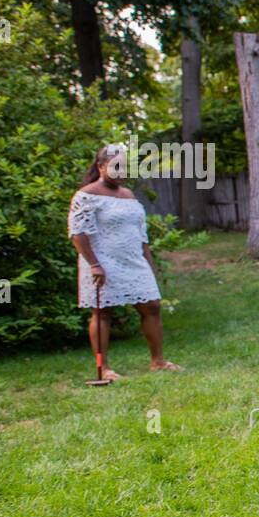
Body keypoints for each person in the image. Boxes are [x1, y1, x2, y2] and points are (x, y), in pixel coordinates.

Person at [68, 143, 181, 378]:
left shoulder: (128, 195)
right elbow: (77, 233)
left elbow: (141, 235)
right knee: (103, 312)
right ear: (101, 167)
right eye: (115, 166)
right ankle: (104, 368)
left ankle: (157, 361)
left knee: (152, 306)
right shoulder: (86, 195)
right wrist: (94, 264)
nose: (121, 172)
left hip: (133, 261)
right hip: (102, 262)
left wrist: (150, 264)